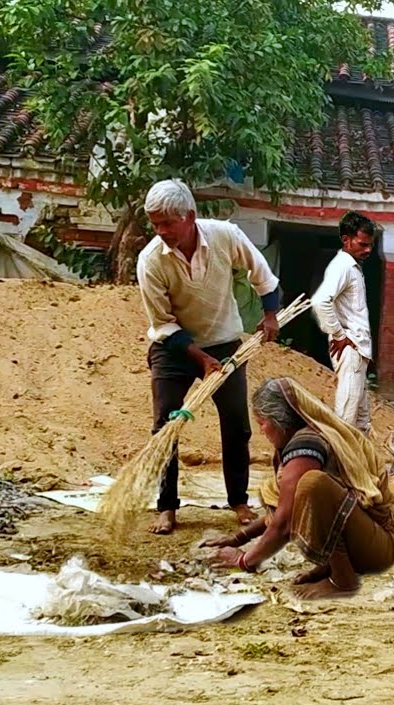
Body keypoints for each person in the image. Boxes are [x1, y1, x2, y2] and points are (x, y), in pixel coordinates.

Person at [136, 179, 282, 535]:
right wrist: (199, 359)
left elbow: (263, 276)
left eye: (168, 223)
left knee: (237, 426)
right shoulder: (151, 260)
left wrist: (270, 315)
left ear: (190, 216)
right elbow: (163, 324)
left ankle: (239, 501)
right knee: (166, 426)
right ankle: (167, 506)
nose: (161, 231)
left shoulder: (224, 236)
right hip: (174, 348)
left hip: (226, 343)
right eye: (155, 224)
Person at [202, 377, 394, 599]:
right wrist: (238, 538)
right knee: (306, 491)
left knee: (313, 486)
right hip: (371, 539)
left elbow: (284, 522)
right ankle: (330, 568)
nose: (261, 430)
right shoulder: (305, 438)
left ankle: (342, 580)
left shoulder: (306, 444)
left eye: (262, 422)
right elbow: (283, 509)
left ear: (279, 420)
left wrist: (244, 561)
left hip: (378, 547)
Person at [312, 212, 376, 435]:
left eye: (370, 245)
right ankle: (337, 468)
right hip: (351, 349)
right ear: (346, 240)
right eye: (363, 244)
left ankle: (360, 468)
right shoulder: (343, 266)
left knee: (361, 421)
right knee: (346, 422)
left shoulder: (352, 267)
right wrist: (339, 335)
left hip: (357, 350)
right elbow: (320, 302)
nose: (368, 250)